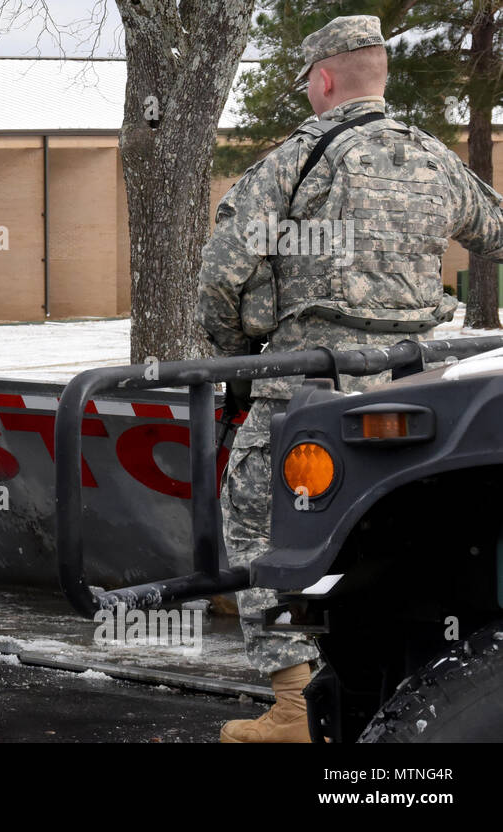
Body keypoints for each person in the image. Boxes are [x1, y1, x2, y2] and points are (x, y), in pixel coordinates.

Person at [197, 15, 503, 742]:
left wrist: (239, 349)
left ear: (324, 78)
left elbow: (219, 278)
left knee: (256, 529)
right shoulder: (436, 160)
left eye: (308, 80)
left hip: (311, 388)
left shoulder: (297, 161)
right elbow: (495, 230)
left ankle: (293, 708)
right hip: (421, 391)